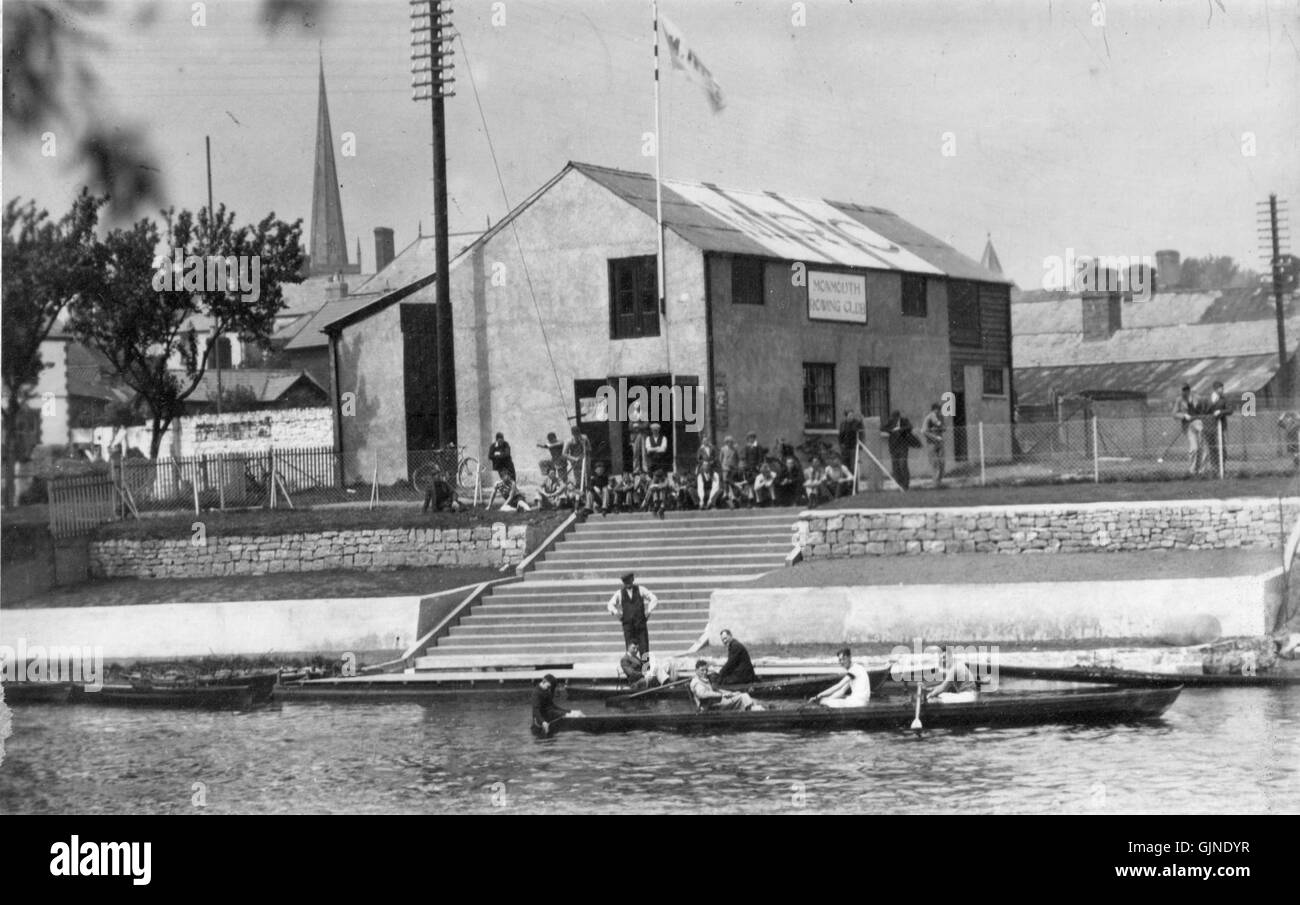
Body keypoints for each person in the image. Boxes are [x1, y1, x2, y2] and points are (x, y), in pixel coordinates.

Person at [607, 572, 658, 652]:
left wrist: (649, 610)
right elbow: (610, 604)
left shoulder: (641, 589)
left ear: (633, 580)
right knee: (631, 650)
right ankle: (633, 665)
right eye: (625, 582)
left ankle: (645, 665)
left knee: (644, 649)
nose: (627, 584)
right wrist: (616, 612)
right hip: (628, 627)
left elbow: (653, 598)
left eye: (629, 581)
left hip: (641, 625)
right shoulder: (619, 593)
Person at [689, 659, 763, 711]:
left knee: (741, 694)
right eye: (702, 670)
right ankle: (754, 710)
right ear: (696, 671)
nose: (705, 672)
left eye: (706, 670)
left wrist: (730, 693)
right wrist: (721, 695)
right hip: (709, 706)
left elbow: (716, 690)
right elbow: (702, 694)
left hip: (717, 702)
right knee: (743, 697)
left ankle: (756, 708)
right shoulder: (696, 682)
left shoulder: (705, 679)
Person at [1173, 384, 1204, 476]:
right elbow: (1174, 414)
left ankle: (1202, 471)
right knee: (1194, 449)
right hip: (1189, 426)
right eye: (1183, 390)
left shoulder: (1197, 397)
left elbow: (1204, 408)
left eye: (1185, 390)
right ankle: (1192, 471)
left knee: (1202, 448)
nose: (1184, 392)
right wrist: (1183, 415)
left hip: (1199, 423)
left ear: (1189, 390)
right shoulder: (1179, 400)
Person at [881, 410, 915, 490]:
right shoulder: (890, 422)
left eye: (896, 417)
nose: (894, 419)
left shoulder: (904, 421)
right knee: (895, 466)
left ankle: (906, 484)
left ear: (899, 417)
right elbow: (882, 428)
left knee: (903, 465)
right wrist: (891, 430)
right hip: (893, 447)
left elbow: (910, 427)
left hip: (903, 447)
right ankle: (900, 484)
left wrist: (899, 429)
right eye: (893, 417)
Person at [1202, 381, 1231, 475]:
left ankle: (1222, 469)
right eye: (1221, 388)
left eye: (1223, 388)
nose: (1222, 390)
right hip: (1208, 428)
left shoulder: (1224, 399)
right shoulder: (1207, 399)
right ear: (1215, 389)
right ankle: (1214, 469)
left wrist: (1220, 412)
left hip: (1219, 428)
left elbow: (1230, 410)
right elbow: (1202, 411)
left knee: (1222, 449)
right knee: (1212, 449)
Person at [921, 403, 946, 487]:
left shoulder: (940, 417)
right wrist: (935, 437)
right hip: (931, 443)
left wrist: (940, 427)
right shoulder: (928, 418)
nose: (939, 412)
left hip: (940, 443)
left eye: (939, 410)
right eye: (937, 410)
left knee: (942, 462)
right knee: (934, 463)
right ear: (934, 410)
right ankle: (935, 483)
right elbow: (924, 431)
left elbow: (944, 428)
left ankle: (940, 481)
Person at [564, 426, 592, 491]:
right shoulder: (569, 441)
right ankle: (579, 492)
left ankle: (588, 492)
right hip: (576, 462)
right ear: (572, 434)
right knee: (578, 479)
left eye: (578, 434)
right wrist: (574, 458)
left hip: (585, 460)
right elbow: (564, 453)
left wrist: (584, 445)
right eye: (575, 435)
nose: (577, 437)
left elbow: (590, 449)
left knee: (587, 477)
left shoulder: (584, 438)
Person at [628, 397, 650, 473]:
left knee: (644, 452)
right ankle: (636, 469)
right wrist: (634, 426)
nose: (638, 408)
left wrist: (638, 426)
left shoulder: (644, 415)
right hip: (635, 436)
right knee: (635, 453)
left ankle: (645, 468)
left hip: (643, 434)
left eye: (639, 406)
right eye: (636, 406)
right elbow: (630, 427)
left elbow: (646, 425)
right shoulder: (632, 416)